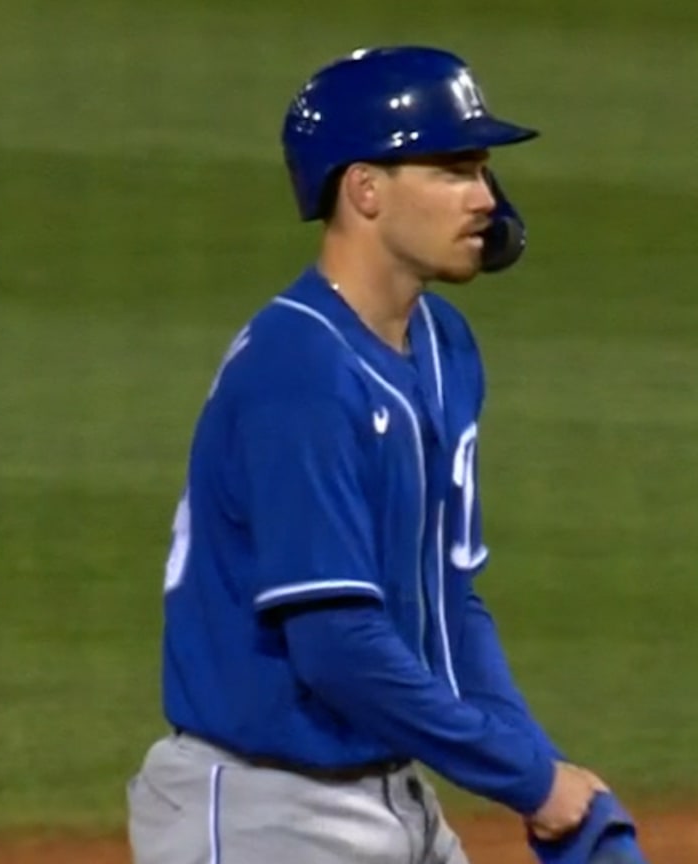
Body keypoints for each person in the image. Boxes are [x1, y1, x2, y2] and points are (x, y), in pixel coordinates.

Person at [125, 46, 619, 864]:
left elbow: (450, 605)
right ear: (364, 190)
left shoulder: (443, 345)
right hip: (265, 815)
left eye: (484, 170)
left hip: (393, 798)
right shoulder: (300, 370)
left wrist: (545, 776)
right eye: (455, 169)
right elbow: (336, 647)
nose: (487, 199)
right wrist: (527, 780)